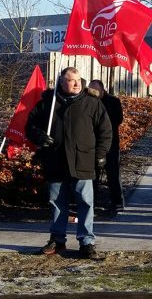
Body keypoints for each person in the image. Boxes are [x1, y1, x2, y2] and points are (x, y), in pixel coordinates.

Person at [26, 67, 112, 259]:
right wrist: (40, 137)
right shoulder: (48, 103)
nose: (76, 84)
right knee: (57, 203)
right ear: (61, 82)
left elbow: (105, 131)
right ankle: (57, 239)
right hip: (56, 161)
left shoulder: (92, 103)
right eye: (71, 80)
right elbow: (30, 126)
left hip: (83, 160)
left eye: (78, 80)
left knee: (86, 202)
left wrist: (101, 154)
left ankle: (86, 242)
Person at [87, 80, 124, 214]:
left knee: (113, 175)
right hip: (91, 145)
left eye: (96, 90)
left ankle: (117, 202)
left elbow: (118, 119)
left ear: (103, 91)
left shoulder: (113, 102)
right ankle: (91, 203)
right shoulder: (87, 102)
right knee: (92, 176)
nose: (93, 93)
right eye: (91, 90)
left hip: (111, 144)